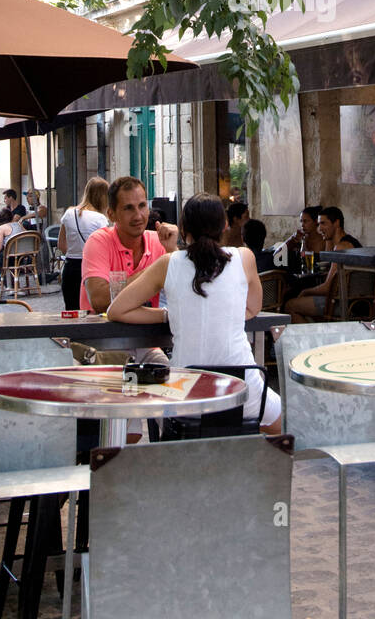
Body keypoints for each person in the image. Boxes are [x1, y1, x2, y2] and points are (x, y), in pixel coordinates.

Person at [108, 193, 282, 433]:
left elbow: (116, 310)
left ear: (183, 228)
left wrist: (169, 315)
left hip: (185, 396)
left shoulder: (168, 263)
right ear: (224, 226)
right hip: (242, 388)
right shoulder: (244, 257)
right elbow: (253, 308)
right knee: (282, 426)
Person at [80, 176, 179, 314]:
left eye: (142, 206)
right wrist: (156, 272)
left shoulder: (160, 242)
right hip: (102, 332)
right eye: (128, 208)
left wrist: (173, 251)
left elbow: (187, 294)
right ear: (111, 215)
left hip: (147, 332)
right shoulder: (98, 241)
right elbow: (99, 301)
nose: (138, 216)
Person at [284, 206, 361, 322]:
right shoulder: (346, 242)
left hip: (344, 303)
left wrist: (305, 292)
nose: (319, 229)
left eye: (323, 224)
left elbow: (327, 288)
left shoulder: (342, 247)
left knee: (290, 306)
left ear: (337, 223)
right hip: (353, 300)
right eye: (319, 224)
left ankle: (314, 340)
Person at [58, 178, 110, 311]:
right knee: (92, 311)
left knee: (71, 310)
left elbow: (61, 245)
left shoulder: (69, 214)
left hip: (70, 268)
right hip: (92, 270)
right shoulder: (100, 219)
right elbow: (105, 247)